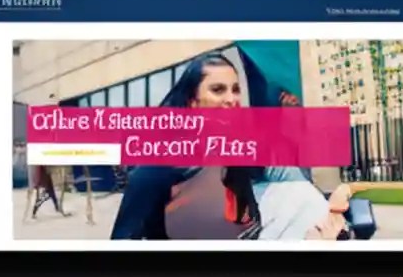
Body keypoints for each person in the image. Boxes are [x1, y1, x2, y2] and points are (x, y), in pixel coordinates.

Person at [110, 52, 347, 240]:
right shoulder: (157, 169)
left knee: (295, 190)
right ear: (193, 102)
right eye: (217, 90)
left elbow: (289, 176)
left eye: (235, 90)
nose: (231, 100)